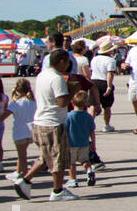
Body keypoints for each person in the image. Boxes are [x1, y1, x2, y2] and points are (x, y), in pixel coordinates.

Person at [25, 49, 76, 200]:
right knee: (57, 158)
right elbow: (62, 102)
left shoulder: (42, 75)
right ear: (61, 61)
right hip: (53, 122)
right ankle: (57, 190)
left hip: (40, 121)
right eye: (67, 62)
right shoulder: (56, 78)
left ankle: (25, 180)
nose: (68, 66)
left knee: (44, 157)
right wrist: (72, 91)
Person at [7, 78, 35, 197]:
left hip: (19, 132)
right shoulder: (33, 102)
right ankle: (19, 172)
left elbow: (5, 115)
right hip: (30, 131)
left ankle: (25, 178)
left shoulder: (16, 103)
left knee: (22, 157)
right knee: (22, 154)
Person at [64, 91, 97, 187]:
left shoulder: (68, 116)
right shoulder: (88, 117)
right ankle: (89, 171)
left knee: (71, 163)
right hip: (84, 143)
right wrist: (93, 143)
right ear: (85, 104)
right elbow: (92, 131)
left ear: (72, 102)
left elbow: (64, 130)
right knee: (85, 160)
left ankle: (73, 180)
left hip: (71, 144)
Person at [90, 40, 119, 131]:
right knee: (107, 106)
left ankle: (90, 125)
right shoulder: (110, 60)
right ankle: (106, 125)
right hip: (104, 82)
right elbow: (110, 73)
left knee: (93, 105)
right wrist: (109, 86)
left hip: (94, 81)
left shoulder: (94, 59)